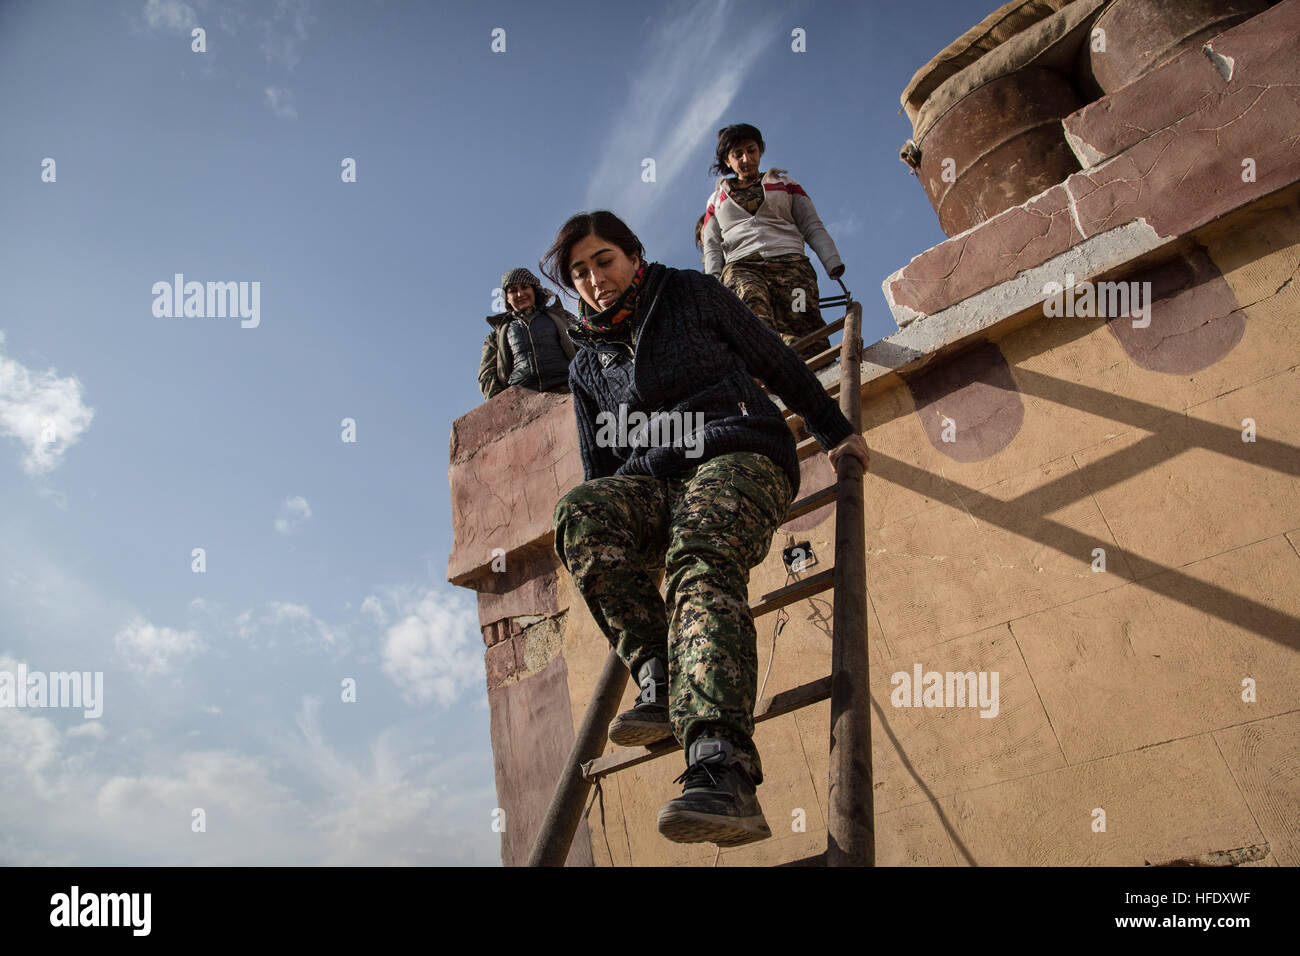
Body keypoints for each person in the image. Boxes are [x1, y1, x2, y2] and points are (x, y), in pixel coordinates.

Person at [543, 211, 870, 847]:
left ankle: (723, 768)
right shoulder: (586, 366)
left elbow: (772, 358)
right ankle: (659, 675)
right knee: (580, 511)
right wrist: (619, 534)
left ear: (633, 255)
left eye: (603, 260)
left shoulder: (690, 292)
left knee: (699, 555)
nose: (593, 279)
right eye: (579, 272)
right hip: (656, 482)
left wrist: (835, 432)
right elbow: (601, 470)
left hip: (736, 452)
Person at [701, 123, 845, 356]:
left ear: (760, 150)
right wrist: (712, 285)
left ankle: (817, 373)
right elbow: (712, 246)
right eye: (737, 154)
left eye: (751, 150)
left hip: (791, 264)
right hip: (742, 266)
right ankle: (773, 368)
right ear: (728, 161)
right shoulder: (716, 199)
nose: (746, 158)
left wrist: (832, 261)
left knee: (802, 324)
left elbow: (811, 225)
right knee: (753, 317)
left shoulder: (787, 185)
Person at [477, 268, 578, 400]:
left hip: (567, 389)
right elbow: (486, 374)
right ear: (507, 298)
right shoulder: (496, 336)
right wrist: (501, 402)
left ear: (534, 291)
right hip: (523, 399)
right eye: (513, 290)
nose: (520, 294)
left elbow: (585, 349)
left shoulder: (562, 318)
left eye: (525, 287)